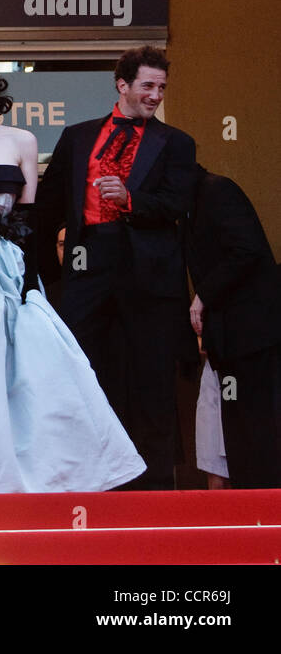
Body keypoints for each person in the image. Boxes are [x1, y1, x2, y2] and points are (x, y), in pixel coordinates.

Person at [0, 62, 144, 492]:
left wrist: (28, 277)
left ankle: (34, 464)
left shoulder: (23, 140)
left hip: (5, 258)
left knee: (30, 359)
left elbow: (28, 217)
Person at [37, 46, 197, 490]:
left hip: (149, 275)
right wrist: (43, 282)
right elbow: (48, 210)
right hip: (88, 271)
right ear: (122, 85)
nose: (155, 95)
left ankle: (154, 487)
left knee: (152, 382)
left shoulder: (177, 143)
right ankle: (88, 479)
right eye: (147, 85)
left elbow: (177, 205)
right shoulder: (77, 136)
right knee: (83, 376)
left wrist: (130, 200)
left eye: (161, 87)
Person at [185, 166, 281, 489]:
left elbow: (246, 249)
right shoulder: (191, 205)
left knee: (257, 436)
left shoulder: (215, 191)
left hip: (253, 337)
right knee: (239, 438)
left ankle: (263, 516)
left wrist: (203, 296)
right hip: (232, 342)